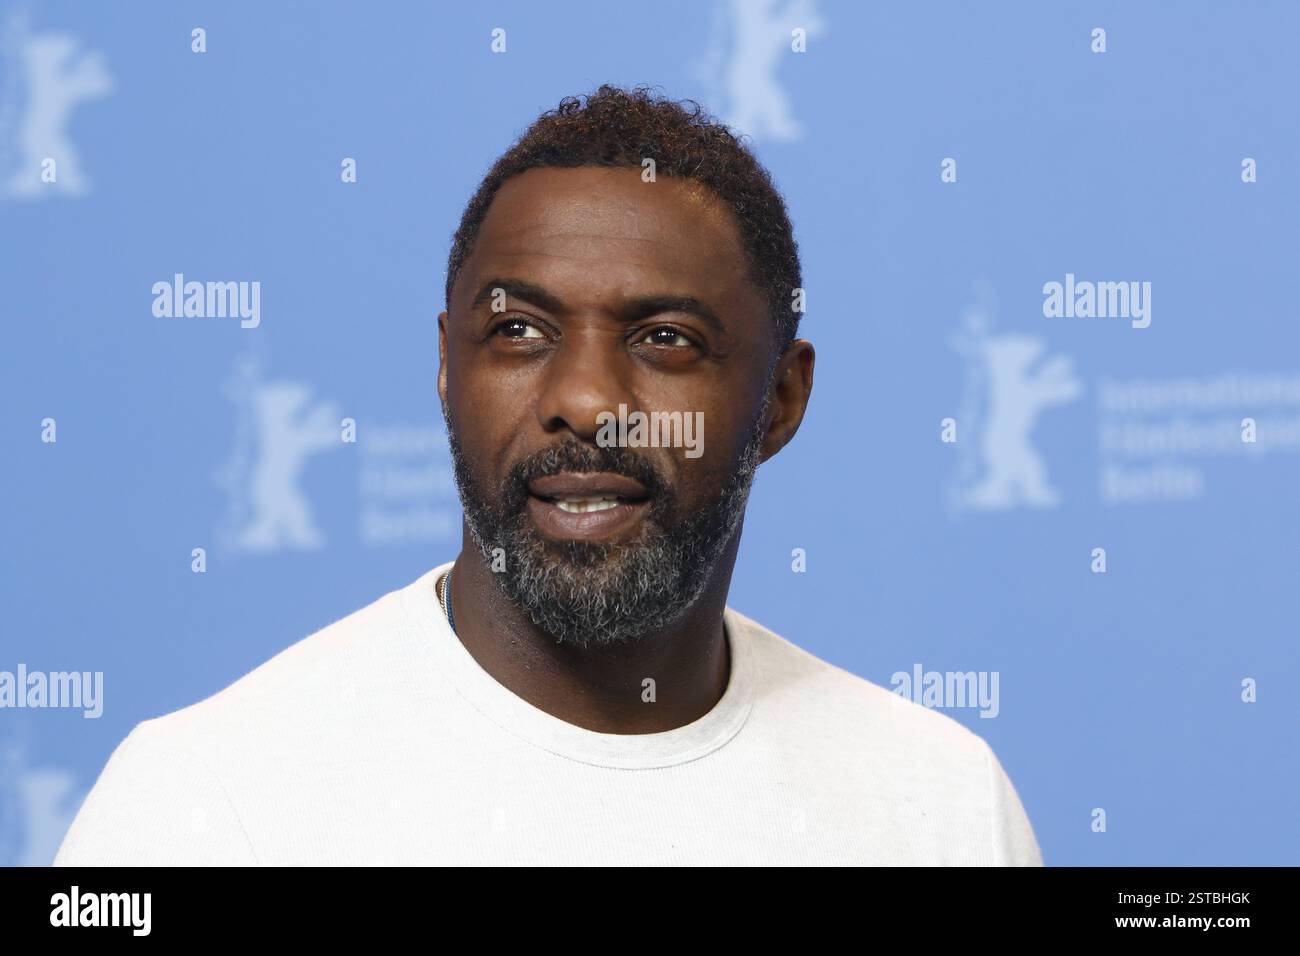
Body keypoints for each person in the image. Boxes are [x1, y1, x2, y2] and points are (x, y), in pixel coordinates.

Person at [54, 85, 1043, 866]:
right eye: (518, 330)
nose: (581, 397)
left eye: (664, 338)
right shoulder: (207, 804)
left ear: (780, 399)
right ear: (447, 367)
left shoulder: (940, 802)